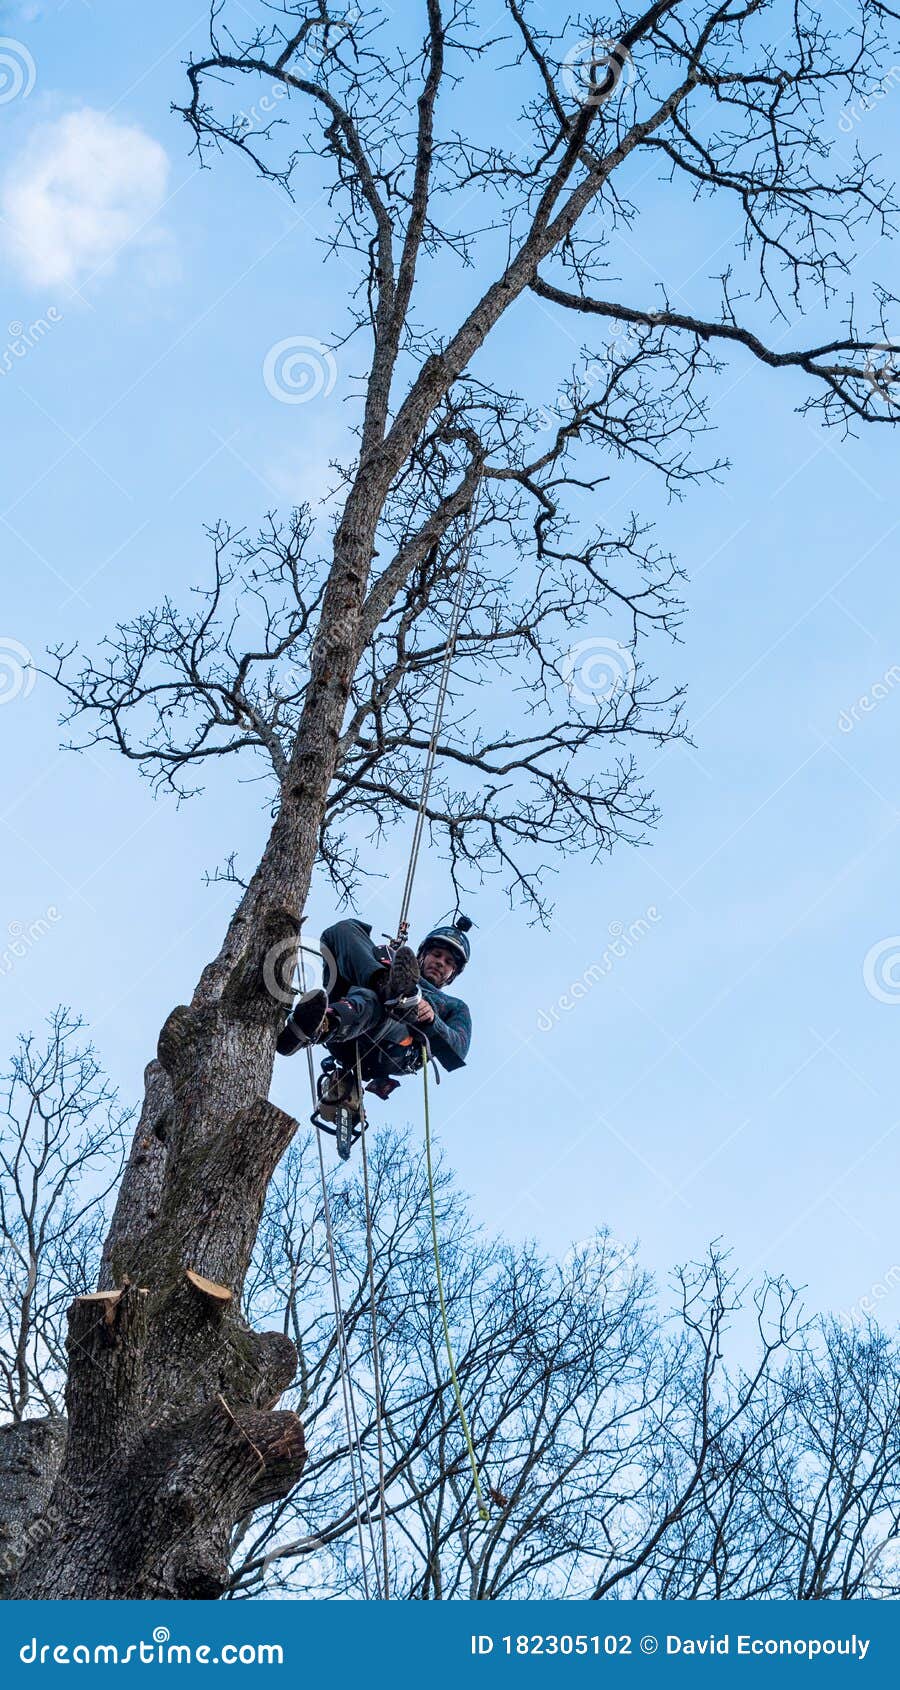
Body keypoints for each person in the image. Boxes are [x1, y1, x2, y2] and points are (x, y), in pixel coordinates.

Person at [276, 915, 473, 1093]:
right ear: (422, 955)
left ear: (452, 974)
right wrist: (382, 966)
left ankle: (325, 1025)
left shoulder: (454, 1006)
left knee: (381, 1004)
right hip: (349, 1025)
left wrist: (432, 1020)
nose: (440, 962)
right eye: (437, 954)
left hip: (391, 1050)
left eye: (448, 962)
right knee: (344, 929)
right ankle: (381, 985)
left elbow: (459, 1049)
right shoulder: (399, 967)